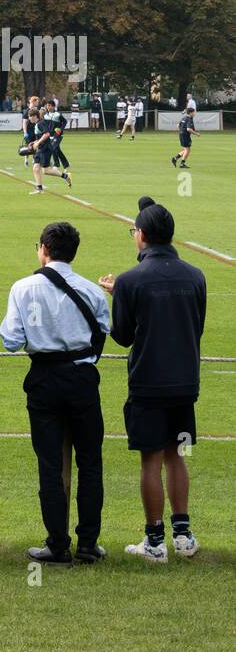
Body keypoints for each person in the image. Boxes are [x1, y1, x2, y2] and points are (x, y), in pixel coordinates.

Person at [98, 198, 206, 562]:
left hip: (148, 383)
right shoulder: (195, 275)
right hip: (185, 382)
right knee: (177, 456)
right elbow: (195, 325)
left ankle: (154, 541)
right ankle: (184, 535)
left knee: (150, 461)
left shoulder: (130, 280)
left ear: (141, 235)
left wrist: (120, 297)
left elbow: (124, 336)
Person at [0, 221, 110, 564]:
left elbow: (11, 340)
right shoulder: (92, 290)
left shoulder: (23, 287)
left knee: (50, 465)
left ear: (43, 249)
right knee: (90, 462)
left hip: (44, 379)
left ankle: (58, 544)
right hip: (82, 378)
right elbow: (106, 329)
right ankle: (88, 544)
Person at [27, 106, 72, 194]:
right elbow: (41, 136)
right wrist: (34, 142)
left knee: (46, 171)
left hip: (45, 149)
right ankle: (39, 188)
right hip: (40, 148)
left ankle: (65, 176)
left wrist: (38, 142)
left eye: (30, 116)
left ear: (35, 116)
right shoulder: (37, 124)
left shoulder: (40, 123)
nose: (29, 118)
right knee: (36, 168)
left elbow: (47, 134)